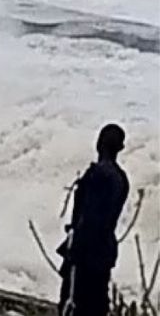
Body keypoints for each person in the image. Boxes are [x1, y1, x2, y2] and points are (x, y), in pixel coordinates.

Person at [57, 124, 130, 316]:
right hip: (104, 251)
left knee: (74, 305)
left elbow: (89, 218)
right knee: (97, 306)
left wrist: (74, 252)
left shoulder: (97, 175)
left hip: (85, 254)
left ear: (99, 144)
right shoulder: (122, 179)